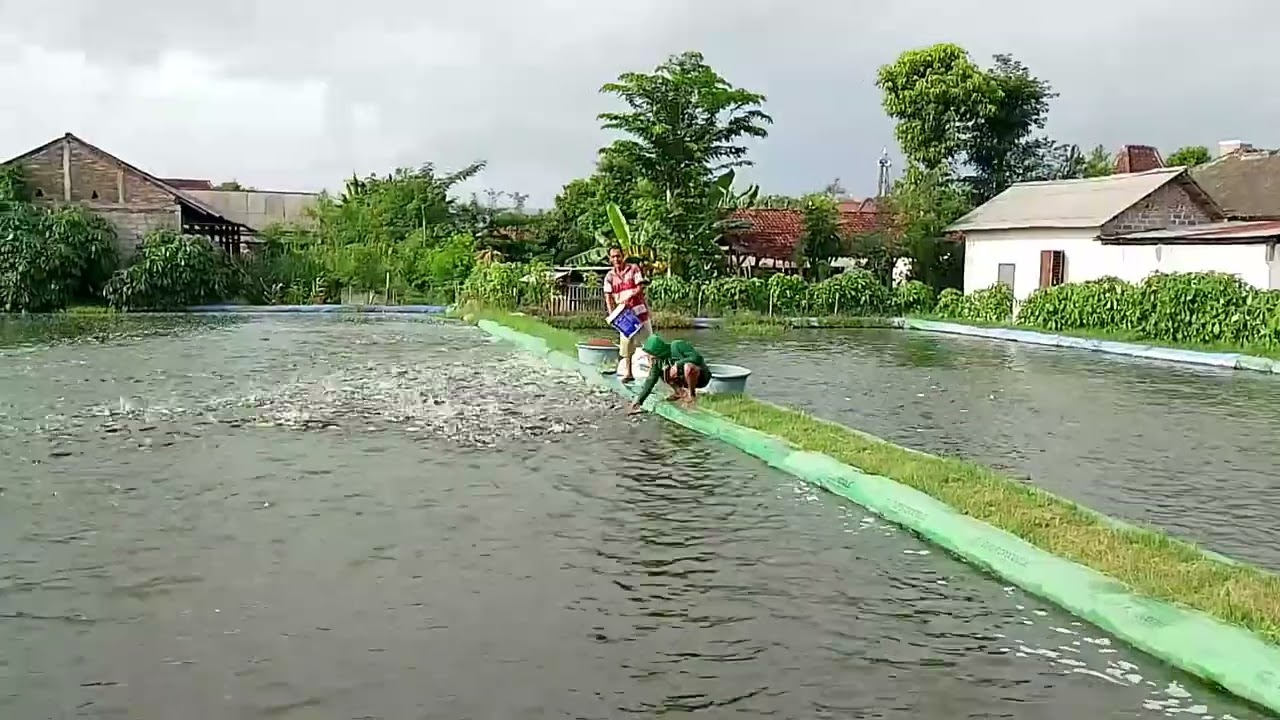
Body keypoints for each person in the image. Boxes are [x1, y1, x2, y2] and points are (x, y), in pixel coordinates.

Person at [602, 246, 651, 383]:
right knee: (627, 346)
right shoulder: (609, 277)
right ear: (610, 259)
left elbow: (640, 287)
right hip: (624, 316)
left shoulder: (633, 268)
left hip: (639, 312)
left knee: (649, 343)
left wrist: (630, 295)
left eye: (618, 256)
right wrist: (612, 315)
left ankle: (654, 372)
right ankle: (629, 373)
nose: (616, 259)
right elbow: (608, 297)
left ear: (623, 256)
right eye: (613, 257)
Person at [629, 335, 710, 414]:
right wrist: (639, 401)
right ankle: (679, 393)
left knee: (688, 367)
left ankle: (691, 396)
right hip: (684, 379)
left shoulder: (678, 345)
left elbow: (697, 358)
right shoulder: (658, 361)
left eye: (650, 353)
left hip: (701, 377)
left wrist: (678, 364)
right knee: (664, 371)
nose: (649, 356)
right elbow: (651, 380)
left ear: (657, 350)